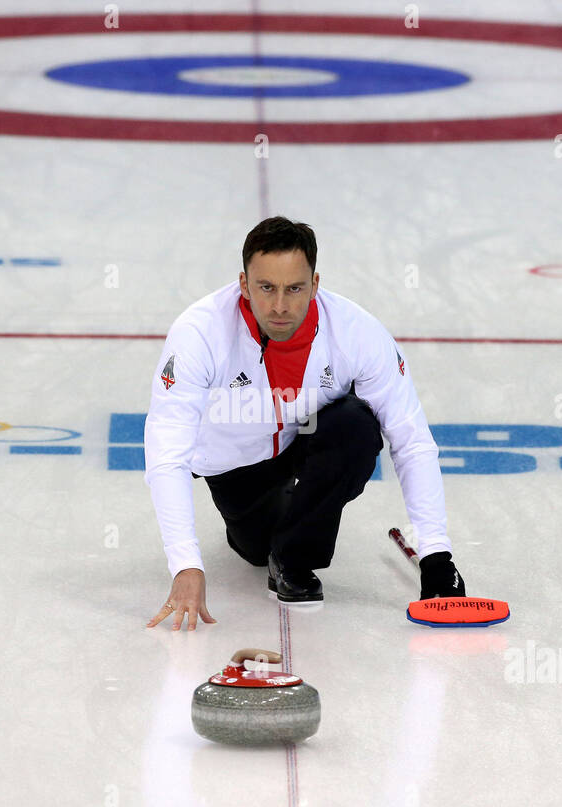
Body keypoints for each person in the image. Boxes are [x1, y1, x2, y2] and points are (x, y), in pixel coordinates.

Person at [144, 216, 466, 630]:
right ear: (244, 284)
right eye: (266, 288)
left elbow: (411, 439)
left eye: (295, 288)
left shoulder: (357, 332)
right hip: (236, 467)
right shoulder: (198, 334)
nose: (280, 305)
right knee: (256, 548)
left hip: (308, 438)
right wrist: (185, 564)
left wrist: (437, 555)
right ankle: (273, 540)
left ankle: (293, 561)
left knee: (354, 427)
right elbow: (166, 451)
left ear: (315, 285)